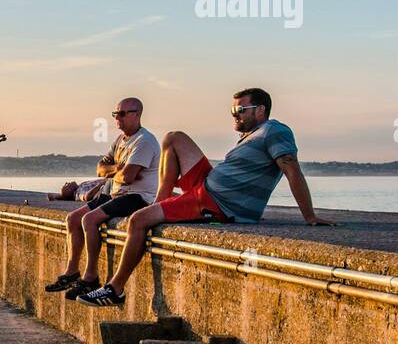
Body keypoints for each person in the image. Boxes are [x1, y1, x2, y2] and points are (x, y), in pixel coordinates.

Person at [78, 88, 335, 308]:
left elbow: (292, 168)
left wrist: (309, 216)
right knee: (174, 137)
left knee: (137, 221)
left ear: (261, 110)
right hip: (207, 186)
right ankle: (161, 200)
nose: (235, 115)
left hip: (215, 202)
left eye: (241, 110)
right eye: (233, 111)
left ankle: (115, 289)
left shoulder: (274, 131)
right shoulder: (252, 135)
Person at [45, 98, 160, 302]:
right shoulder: (119, 140)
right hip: (114, 192)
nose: (118, 119)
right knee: (73, 219)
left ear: (137, 114)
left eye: (123, 114)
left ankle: (91, 277)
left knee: (89, 220)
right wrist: (118, 169)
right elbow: (101, 168)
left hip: (136, 197)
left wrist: (117, 171)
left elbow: (129, 177)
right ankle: (72, 272)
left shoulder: (145, 141)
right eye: (116, 114)